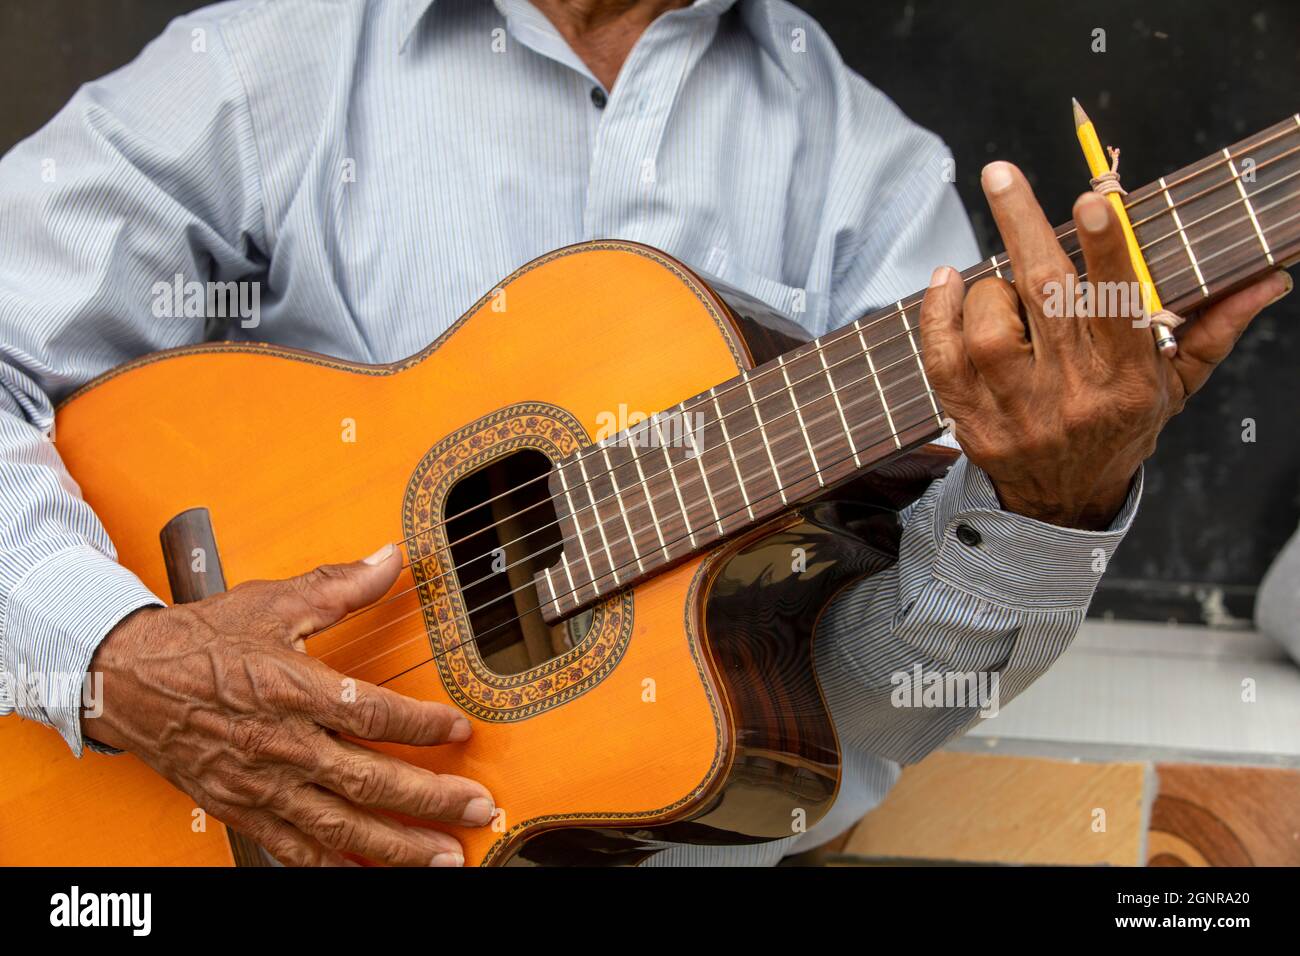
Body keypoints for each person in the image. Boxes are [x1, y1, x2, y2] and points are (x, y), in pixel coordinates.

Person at [0, 0, 1288, 866]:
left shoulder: (868, 168)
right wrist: (114, 656)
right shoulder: (268, 59)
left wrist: (1046, 507)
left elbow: (860, 705)